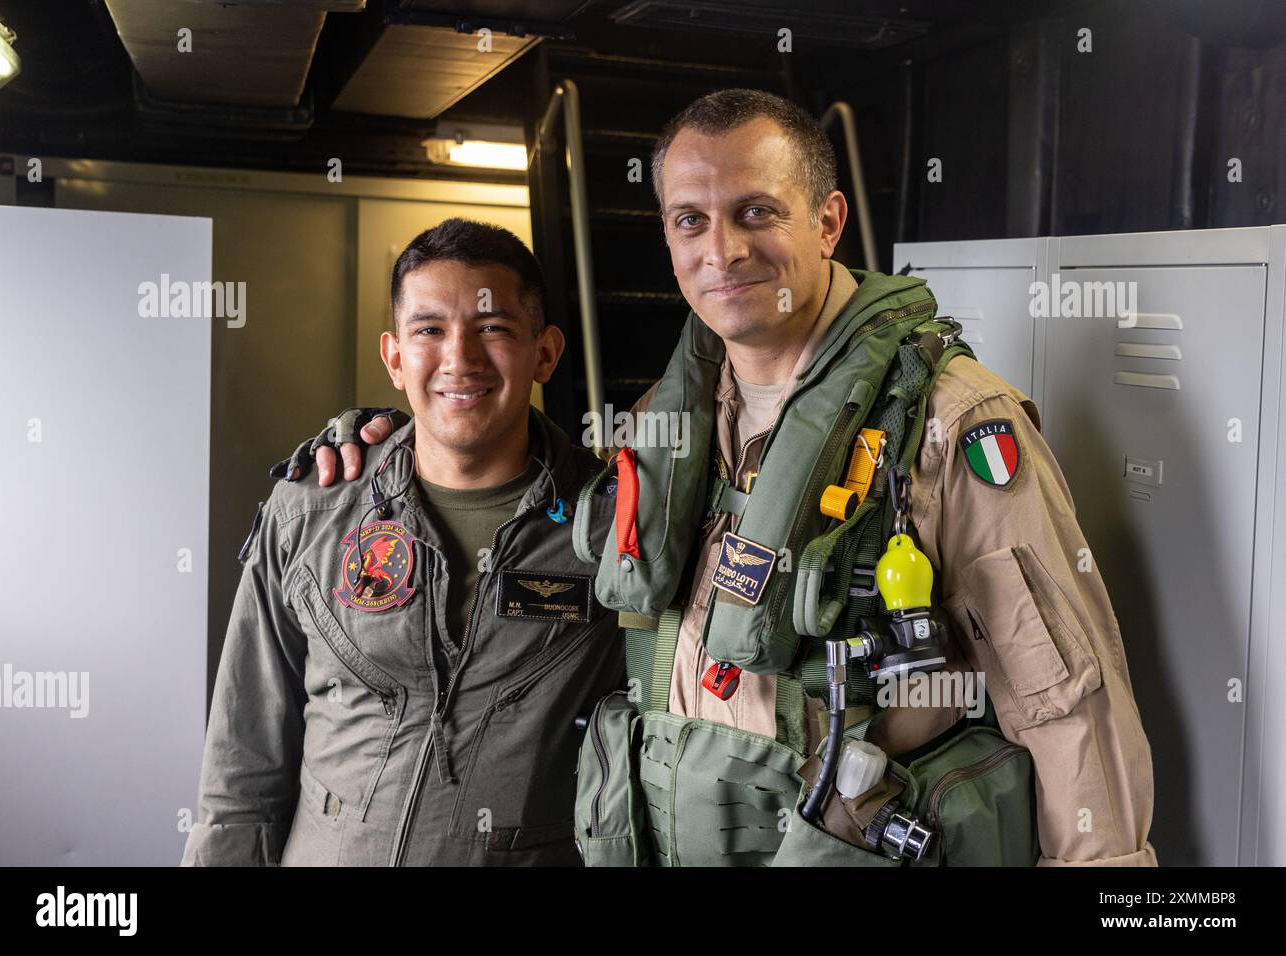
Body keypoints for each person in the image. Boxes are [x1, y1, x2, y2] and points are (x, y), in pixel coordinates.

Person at [297, 90, 1157, 866]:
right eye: (690, 220)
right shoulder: (663, 426)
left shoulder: (949, 423)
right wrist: (386, 445)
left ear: (827, 221)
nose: (724, 250)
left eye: (756, 212)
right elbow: (511, 487)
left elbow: (1067, 703)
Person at [182, 218, 622, 866]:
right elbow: (241, 772)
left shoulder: (614, 533)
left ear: (545, 352)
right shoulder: (310, 513)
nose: (460, 359)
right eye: (429, 330)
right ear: (394, 357)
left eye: (492, 328)